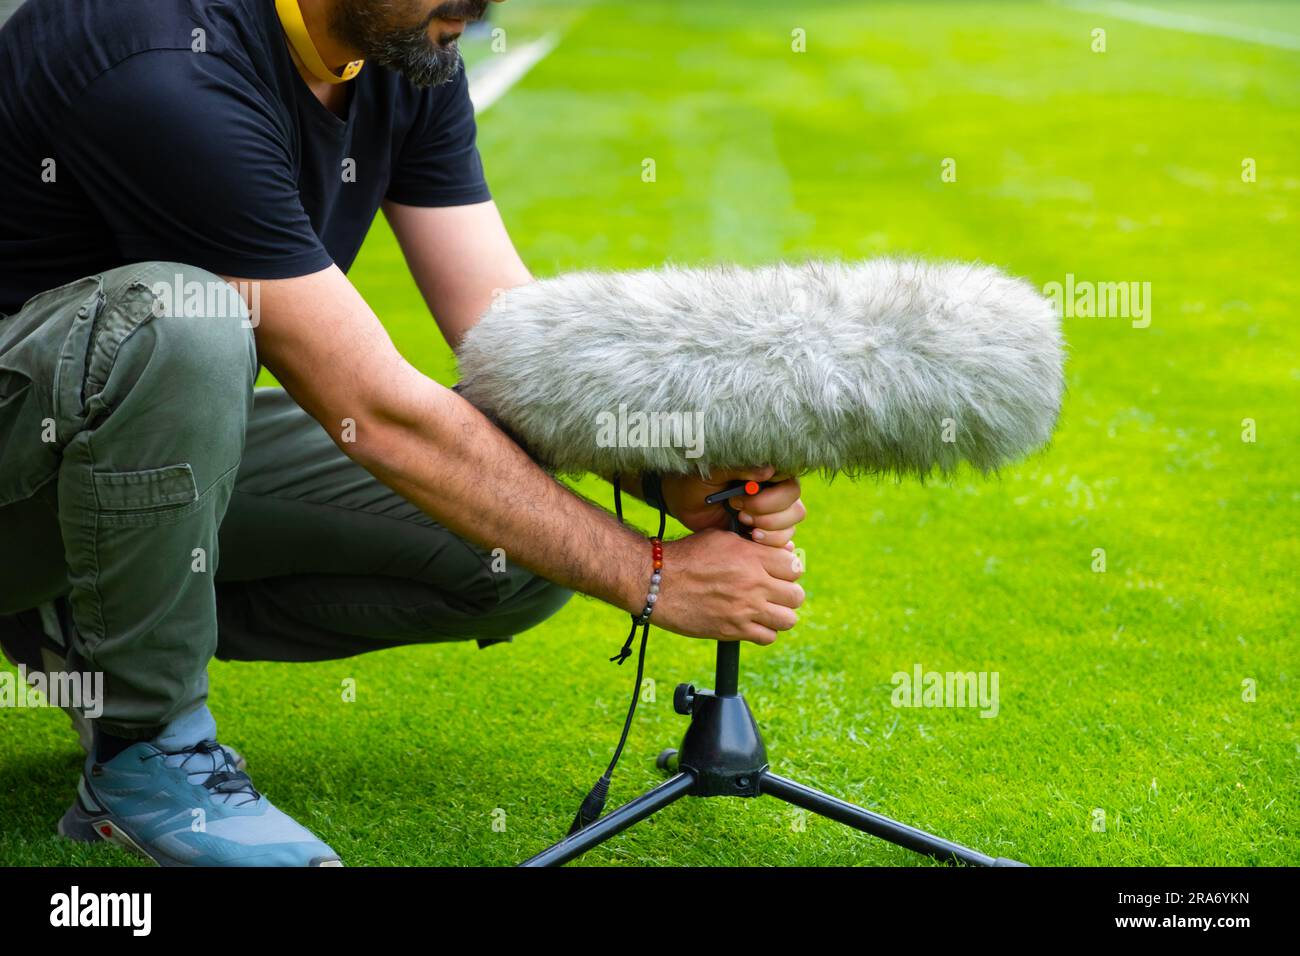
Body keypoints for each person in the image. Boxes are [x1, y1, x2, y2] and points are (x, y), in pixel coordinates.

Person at [0, 0, 806, 866]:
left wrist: (660, 468)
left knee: (515, 549)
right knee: (184, 318)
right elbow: (374, 410)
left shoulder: (407, 50)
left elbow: (508, 333)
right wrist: (650, 577)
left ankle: (76, 626)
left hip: (86, 478)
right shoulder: (161, 59)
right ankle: (145, 744)